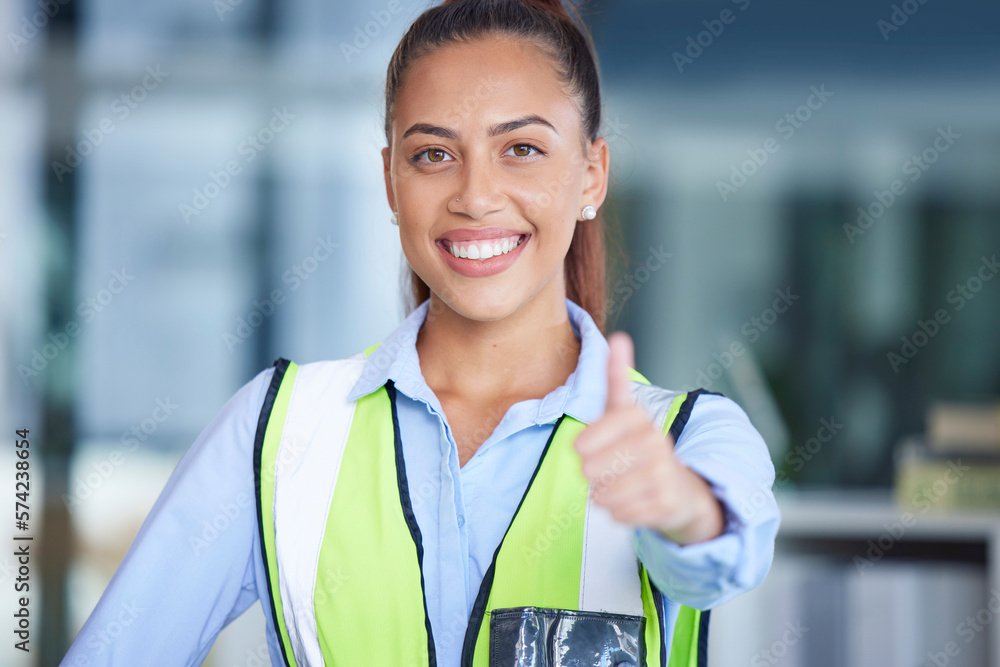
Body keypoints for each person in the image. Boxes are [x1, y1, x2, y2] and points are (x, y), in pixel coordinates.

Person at [61, 0, 780, 665]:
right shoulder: (278, 431)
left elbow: (721, 550)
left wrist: (681, 506)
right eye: (433, 154)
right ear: (390, 183)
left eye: (521, 149)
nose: (474, 195)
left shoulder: (690, 439)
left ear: (591, 174)